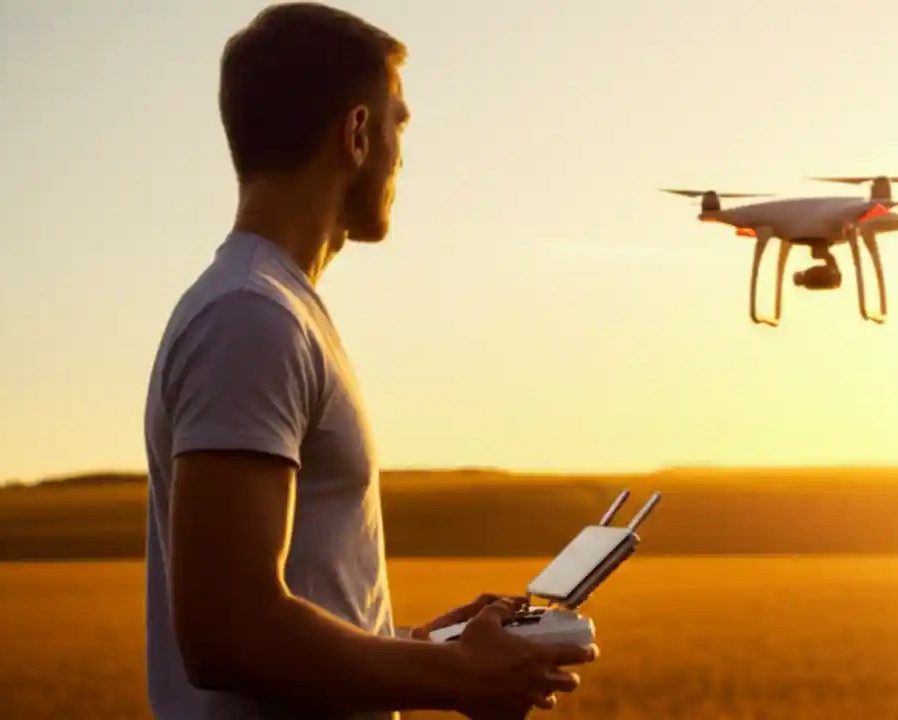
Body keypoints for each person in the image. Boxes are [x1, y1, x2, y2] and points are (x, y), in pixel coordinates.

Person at [141, 3, 598, 719]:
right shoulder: (251, 317)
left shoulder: (272, 309)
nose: (401, 154)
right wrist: (459, 680)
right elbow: (228, 633)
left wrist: (432, 647)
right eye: (398, 124)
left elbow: (293, 612)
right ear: (357, 133)